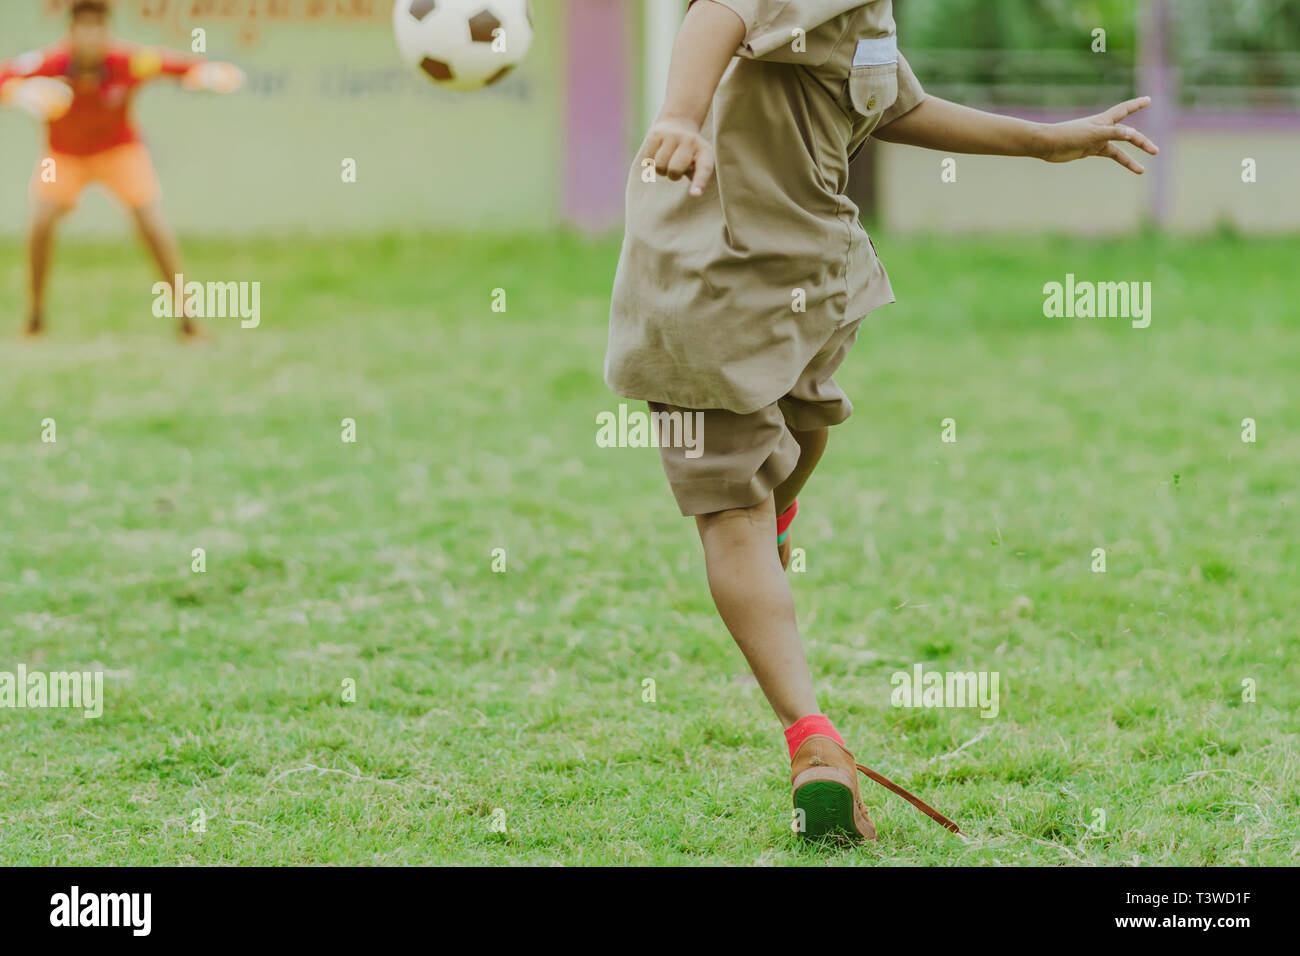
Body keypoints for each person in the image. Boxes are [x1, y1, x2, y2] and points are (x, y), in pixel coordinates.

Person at [604, 0, 1159, 841]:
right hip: (707, 284)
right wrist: (680, 117)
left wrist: (1045, 142)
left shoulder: (868, 12)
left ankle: (775, 526)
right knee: (733, 518)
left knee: (811, 429)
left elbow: (897, 104)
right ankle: (813, 740)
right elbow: (717, 11)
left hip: (807, 277)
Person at [0, 0, 244, 338]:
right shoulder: (49, 63)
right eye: (83, 29)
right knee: (40, 224)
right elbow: (4, 77)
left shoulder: (128, 62)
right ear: (70, 33)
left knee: (152, 225)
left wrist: (205, 73)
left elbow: (173, 66)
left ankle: (188, 319)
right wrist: (19, 92)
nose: (90, 37)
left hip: (120, 151)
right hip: (63, 156)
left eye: (97, 28)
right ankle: (35, 316)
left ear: (108, 32)